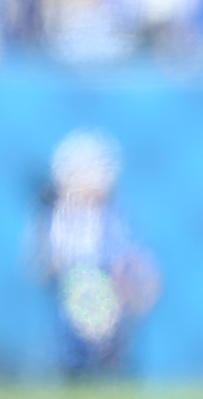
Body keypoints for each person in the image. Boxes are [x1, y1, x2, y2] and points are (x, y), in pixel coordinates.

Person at [29, 130, 160, 378]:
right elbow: (41, 261)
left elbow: (132, 256)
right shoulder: (55, 217)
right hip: (69, 295)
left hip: (111, 295)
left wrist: (138, 284)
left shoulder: (117, 216)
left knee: (113, 352)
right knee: (71, 354)